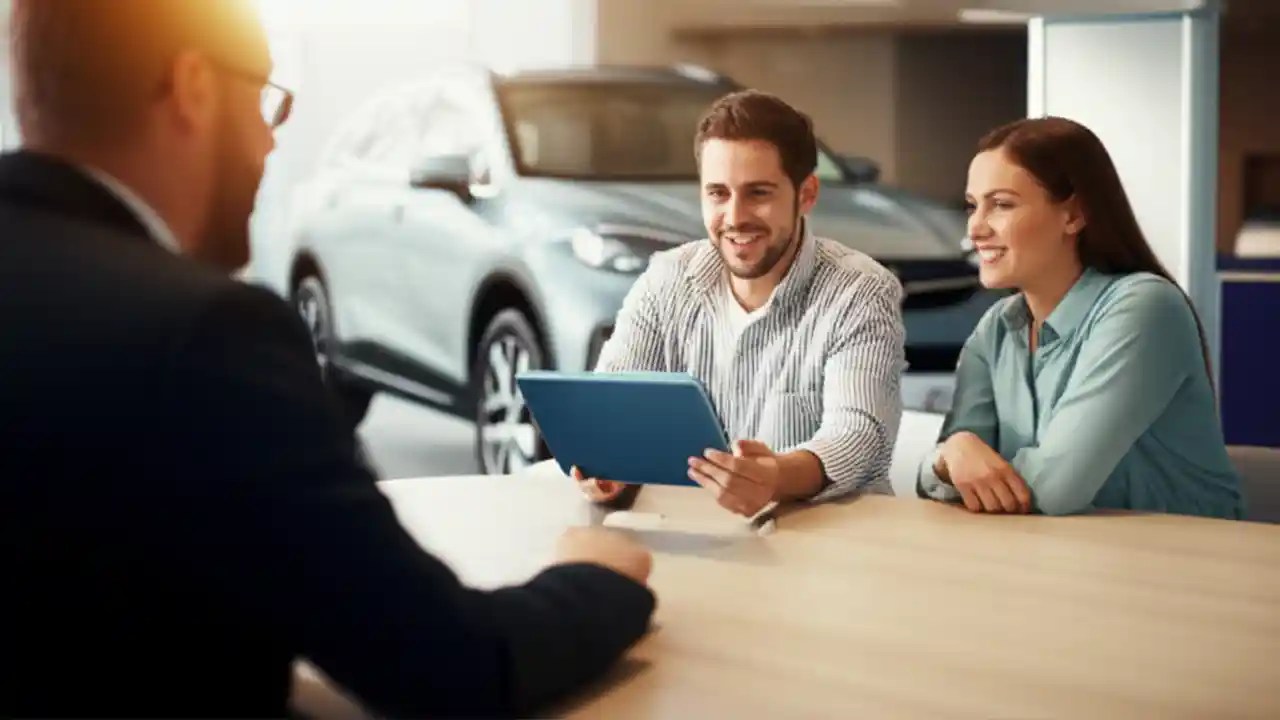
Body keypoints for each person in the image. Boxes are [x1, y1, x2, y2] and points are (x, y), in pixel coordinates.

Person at [0, 2, 656, 716]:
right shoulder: (203, 333)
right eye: (263, 103)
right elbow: (452, 665)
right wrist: (597, 576)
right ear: (192, 87)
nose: (267, 144)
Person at [573, 90, 907, 519]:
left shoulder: (859, 291)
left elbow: (858, 435)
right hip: (699, 544)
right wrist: (606, 468)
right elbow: (610, 409)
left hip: (830, 554)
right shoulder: (666, 281)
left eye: (758, 193)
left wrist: (776, 477)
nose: (734, 217)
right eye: (717, 193)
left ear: (806, 194)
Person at [916, 116, 1242, 518]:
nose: (975, 228)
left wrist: (963, 468)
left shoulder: (1145, 308)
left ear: (1073, 215)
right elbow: (935, 480)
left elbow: (1054, 489)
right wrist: (954, 451)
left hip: (1187, 565)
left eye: (1001, 204)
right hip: (1063, 555)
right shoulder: (996, 329)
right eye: (972, 206)